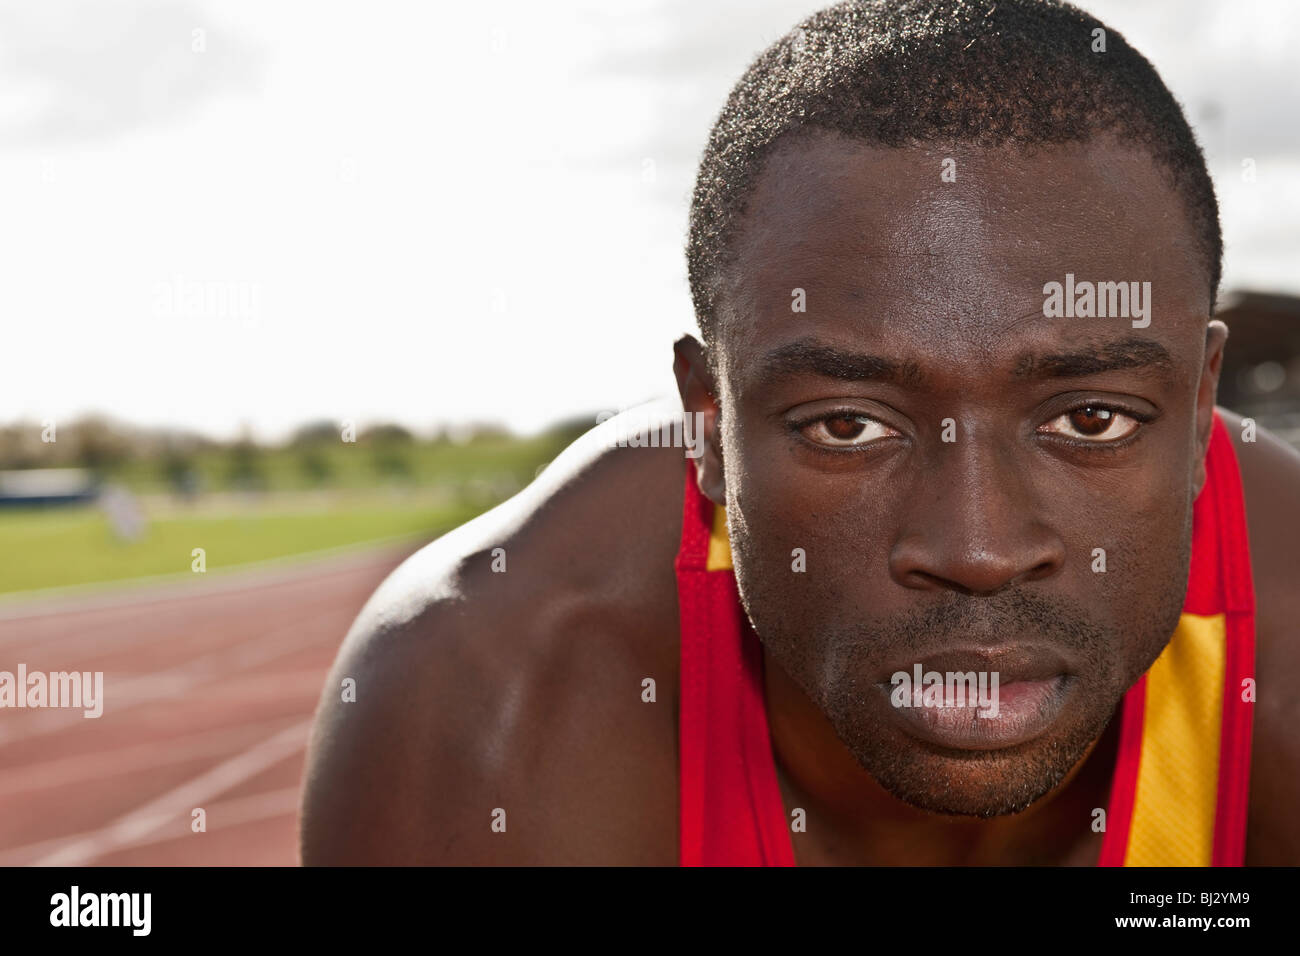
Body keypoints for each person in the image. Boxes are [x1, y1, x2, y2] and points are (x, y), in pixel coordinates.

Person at [300, 0, 1300, 865]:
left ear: (1203, 395)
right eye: (848, 423)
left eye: (1090, 418)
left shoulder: (1282, 649)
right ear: (709, 427)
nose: (977, 549)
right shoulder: (488, 694)